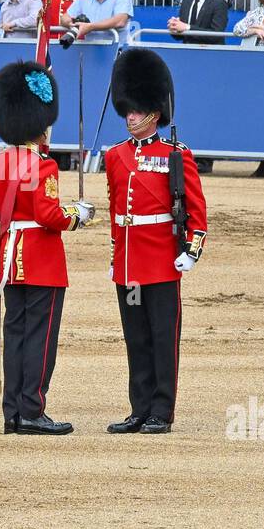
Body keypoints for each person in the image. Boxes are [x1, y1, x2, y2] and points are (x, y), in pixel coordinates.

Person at [0, 60, 93, 435]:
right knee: (41, 336)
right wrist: (78, 215)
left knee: (15, 332)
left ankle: (12, 411)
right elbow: (49, 216)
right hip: (41, 257)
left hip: (9, 256)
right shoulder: (44, 167)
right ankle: (33, 408)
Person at [104, 48, 207, 435]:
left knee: (163, 337)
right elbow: (117, 211)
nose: (131, 116)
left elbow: (196, 210)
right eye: (128, 110)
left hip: (163, 258)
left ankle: (161, 410)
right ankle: (139, 407)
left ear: (155, 112)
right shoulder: (115, 156)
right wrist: (116, 256)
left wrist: (192, 251)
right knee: (137, 338)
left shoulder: (176, 155)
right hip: (130, 262)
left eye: (137, 110)